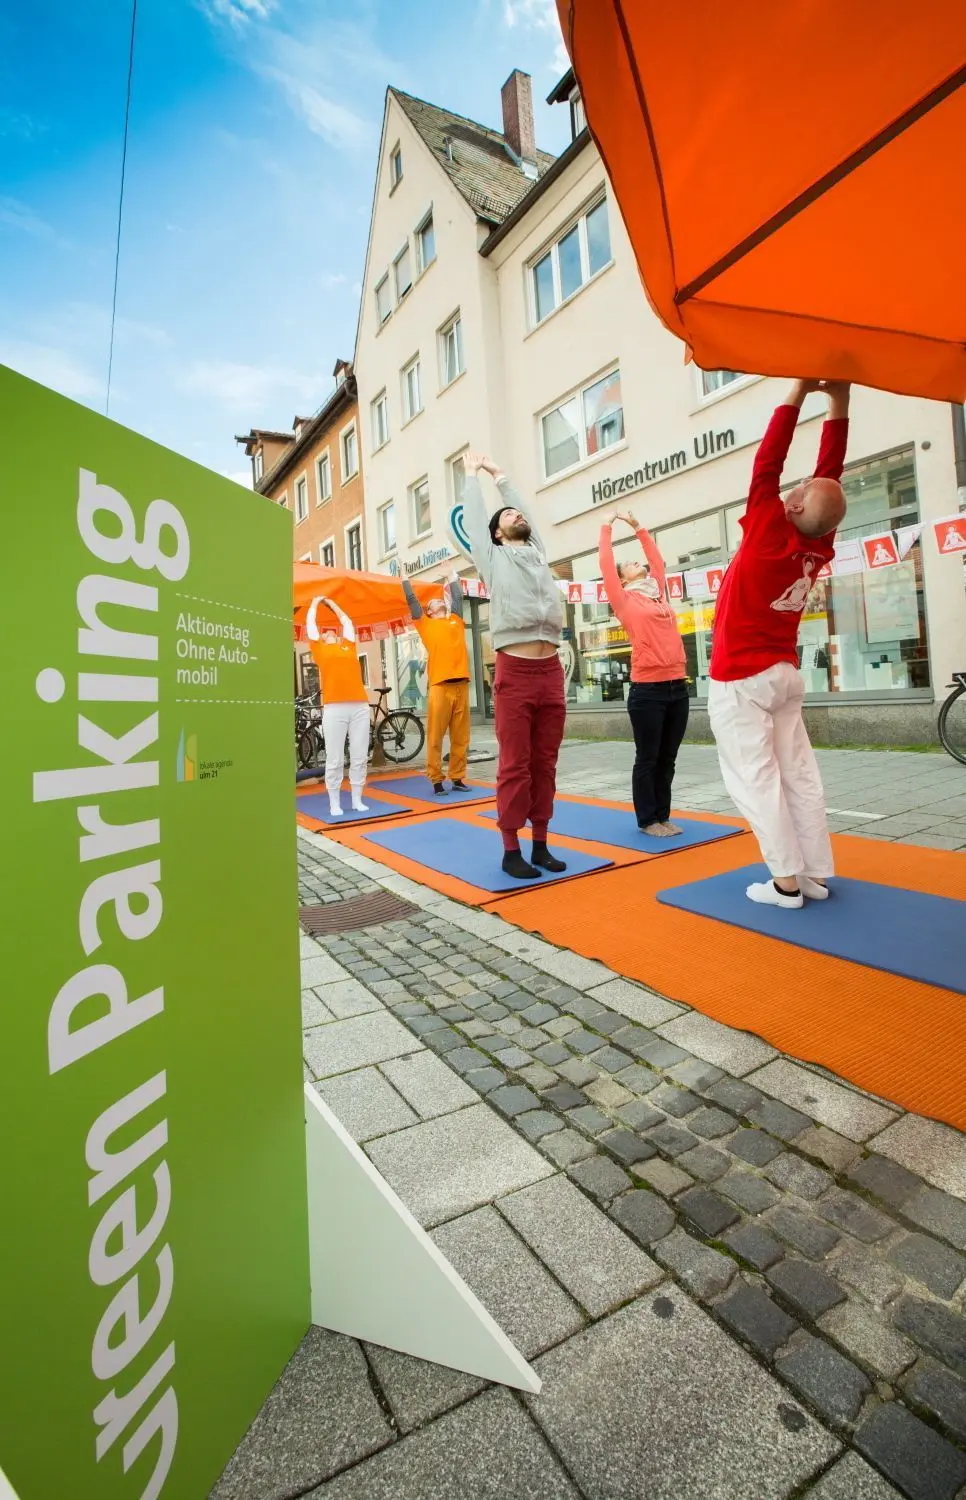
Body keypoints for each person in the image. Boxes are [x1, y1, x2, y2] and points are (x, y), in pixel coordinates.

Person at [708, 379, 851, 908]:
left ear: (791, 508)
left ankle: (786, 884)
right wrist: (838, 400)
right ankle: (812, 872)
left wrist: (796, 391)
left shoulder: (771, 526)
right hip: (783, 674)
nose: (790, 490)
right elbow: (828, 478)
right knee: (798, 774)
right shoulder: (819, 539)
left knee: (755, 777)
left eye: (795, 493)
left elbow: (769, 459)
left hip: (742, 676)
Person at [462, 451, 568, 880]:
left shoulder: (538, 553)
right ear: (498, 534)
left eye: (517, 512)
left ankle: (540, 843)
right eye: (507, 515)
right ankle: (510, 847)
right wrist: (473, 475)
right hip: (516, 672)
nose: (515, 515)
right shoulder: (494, 558)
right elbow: (472, 522)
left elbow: (526, 514)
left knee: (545, 763)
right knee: (515, 764)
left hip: (551, 671)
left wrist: (502, 476)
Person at [598, 510, 689, 835]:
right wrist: (608, 527)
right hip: (647, 691)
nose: (641, 564)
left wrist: (639, 526)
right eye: (632, 564)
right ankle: (647, 820)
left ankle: (663, 815)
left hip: (677, 687)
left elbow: (658, 561)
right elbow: (606, 565)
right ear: (622, 578)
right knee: (648, 758)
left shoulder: (658, 593)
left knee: (669, 758)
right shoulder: (623, 599)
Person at [402, 571, 472, 795]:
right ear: (429, 611)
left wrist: (452, 574)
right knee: (435, 736)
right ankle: (436, 780)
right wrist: (405, 579)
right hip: (440, 687)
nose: (439, 600)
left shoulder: (456, 620)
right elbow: (412, 601)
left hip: (461, 685)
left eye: (441, 599)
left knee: (461, 737)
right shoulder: (425, 624)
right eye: (434, 602)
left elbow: (458, 598)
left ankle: (458, 778)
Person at [306, 594, 370, 818]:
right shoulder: (320, 650)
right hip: (334, 708)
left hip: (360, 706)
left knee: (360, 755)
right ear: (321, 638)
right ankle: (334, 802)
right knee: (335, 758)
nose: (329, 631)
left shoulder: (348, 646)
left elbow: (347, 622)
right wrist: (315, 603)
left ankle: (357, 799)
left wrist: (332, 604)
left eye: (331, 630)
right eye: (325, 632)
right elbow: (311, 625)